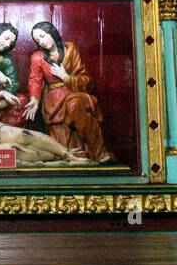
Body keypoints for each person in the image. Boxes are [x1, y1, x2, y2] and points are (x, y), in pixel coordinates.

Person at [26, 21, 113, 163]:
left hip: (74, 93)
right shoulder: (37, 57)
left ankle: (100, 154)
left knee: (75, 106)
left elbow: (86, 80)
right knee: (67, 151)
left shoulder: (70, 49)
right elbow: (35, 80)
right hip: (54, 104)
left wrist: (66, 77)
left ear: (51, 32)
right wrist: (34, 100)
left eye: (43, 36)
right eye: (37, 40)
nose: (41, 41)